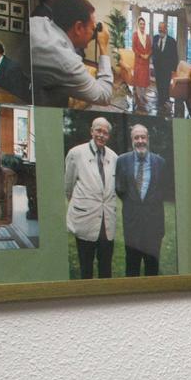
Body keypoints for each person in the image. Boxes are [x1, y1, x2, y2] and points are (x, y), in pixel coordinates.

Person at [30, 0, 113, 108]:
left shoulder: (39, 21)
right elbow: (105, 96)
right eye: (92, 28)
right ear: (78, 27)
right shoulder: (64, 60)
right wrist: (103, 47)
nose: (93, 33)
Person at [64, 117, 117, 278]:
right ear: (92, 131)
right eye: (98, 131)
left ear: (109, 136)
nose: (101, 135)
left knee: (105, 267)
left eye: (105, 133)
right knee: (86, 267)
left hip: (107, 221)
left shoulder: (114, 157)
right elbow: (68, 186)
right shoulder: (76, 153)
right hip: (86, 218)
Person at [114, 124, 167, 276]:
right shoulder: (122, 161)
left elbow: (164, 189)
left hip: (154, 225)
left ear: (148, 139)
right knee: (132, 265)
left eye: (143, 137)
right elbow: (119, 188)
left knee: (152, 266)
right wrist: (133, 204)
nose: (140, 141)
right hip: (132, 223)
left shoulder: (160, 162)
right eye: (136, 138)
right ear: (132, 140)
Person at [151, 22, 179, 116]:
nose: (160, 29)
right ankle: (160, 102)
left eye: (162, 28)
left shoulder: (172, 41)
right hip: (157, 67)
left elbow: (175, 56)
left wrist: (174, 70)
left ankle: (165, 104)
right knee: (159, 85)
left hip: (167, 68)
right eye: (159, 28)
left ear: (166, 29)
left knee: (165, 85)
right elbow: (153, 51)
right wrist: (153, 61)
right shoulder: (155, 38)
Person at [130, 17, 152, 112]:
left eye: (143, 24)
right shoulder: (135, 35)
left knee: (144, 81)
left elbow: (151, 48)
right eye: (141, 24)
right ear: (138, 25)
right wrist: (141, 55)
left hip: (146, 62)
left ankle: (143, 96)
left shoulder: (147, 36)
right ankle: (139, 98)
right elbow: (134, 48)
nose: (142, 25)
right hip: (139, 61)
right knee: (139, 81)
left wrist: (148, 54)